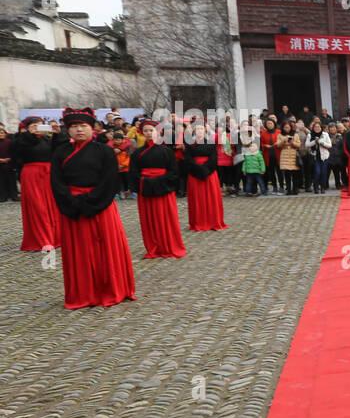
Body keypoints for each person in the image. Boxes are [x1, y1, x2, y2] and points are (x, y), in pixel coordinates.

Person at [48, 107, 136, 309]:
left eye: (83, 126)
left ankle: (110, 288)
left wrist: (90, 201)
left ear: (92, 128)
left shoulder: (104, 150)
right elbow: (56, 182)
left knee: (105, 250)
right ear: (68, 129)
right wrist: (72, 202)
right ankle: (83, 291)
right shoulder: (61, 152)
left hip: (101, 206)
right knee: (79, 253)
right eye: (74, 126)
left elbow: (109, 180)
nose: (79, 130)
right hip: (72, 208)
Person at [129, 118, 187, 258]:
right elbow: (133, 172)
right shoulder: (137, 153)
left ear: (158, 131)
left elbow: (173, 171)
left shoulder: (166, 151)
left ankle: (169, 244)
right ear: (142, 133)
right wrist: (145, 182)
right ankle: (153, 246)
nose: (149, 133)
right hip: (145, 188)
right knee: (149, 221)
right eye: (146, 131)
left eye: (151, 130)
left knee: (166, 219)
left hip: (163, 188)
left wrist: (159, 181)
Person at [12, 117, 60, 250]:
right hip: (31, 175)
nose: (38, 127)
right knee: (37, 207)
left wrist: (57, 135)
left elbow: (58, 152)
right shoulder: (21, 139)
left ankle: (55, 237)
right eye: (34, 125)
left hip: (48, 174)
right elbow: (16, 153)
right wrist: (29, 135)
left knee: (52, 206)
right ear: (27, 127)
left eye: (40, 125)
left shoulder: (47, 139)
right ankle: (42, 240)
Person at [185, 119, 227, 230]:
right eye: (197, 128)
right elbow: (188, 159)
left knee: (211, 199)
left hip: (209, 174)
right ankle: (199, 221)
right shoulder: (189, 144)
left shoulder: (211, 143)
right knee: (197, 199)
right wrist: (198, 168)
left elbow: (214, 159)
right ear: (194, 130)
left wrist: (205, 170)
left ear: (205, 130)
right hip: (194, 174)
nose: (199, 130)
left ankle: (213, 221)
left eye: (201, 128)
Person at [0, 122, 15, 202]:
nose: (1, 134)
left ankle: (14, 195)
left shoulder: (9, 142)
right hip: (0, 165)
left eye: (2, 133)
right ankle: (3, 196)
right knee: (1, 182)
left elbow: (14, 152)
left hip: (9, 164)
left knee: (12, 181)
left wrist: (10, 159)